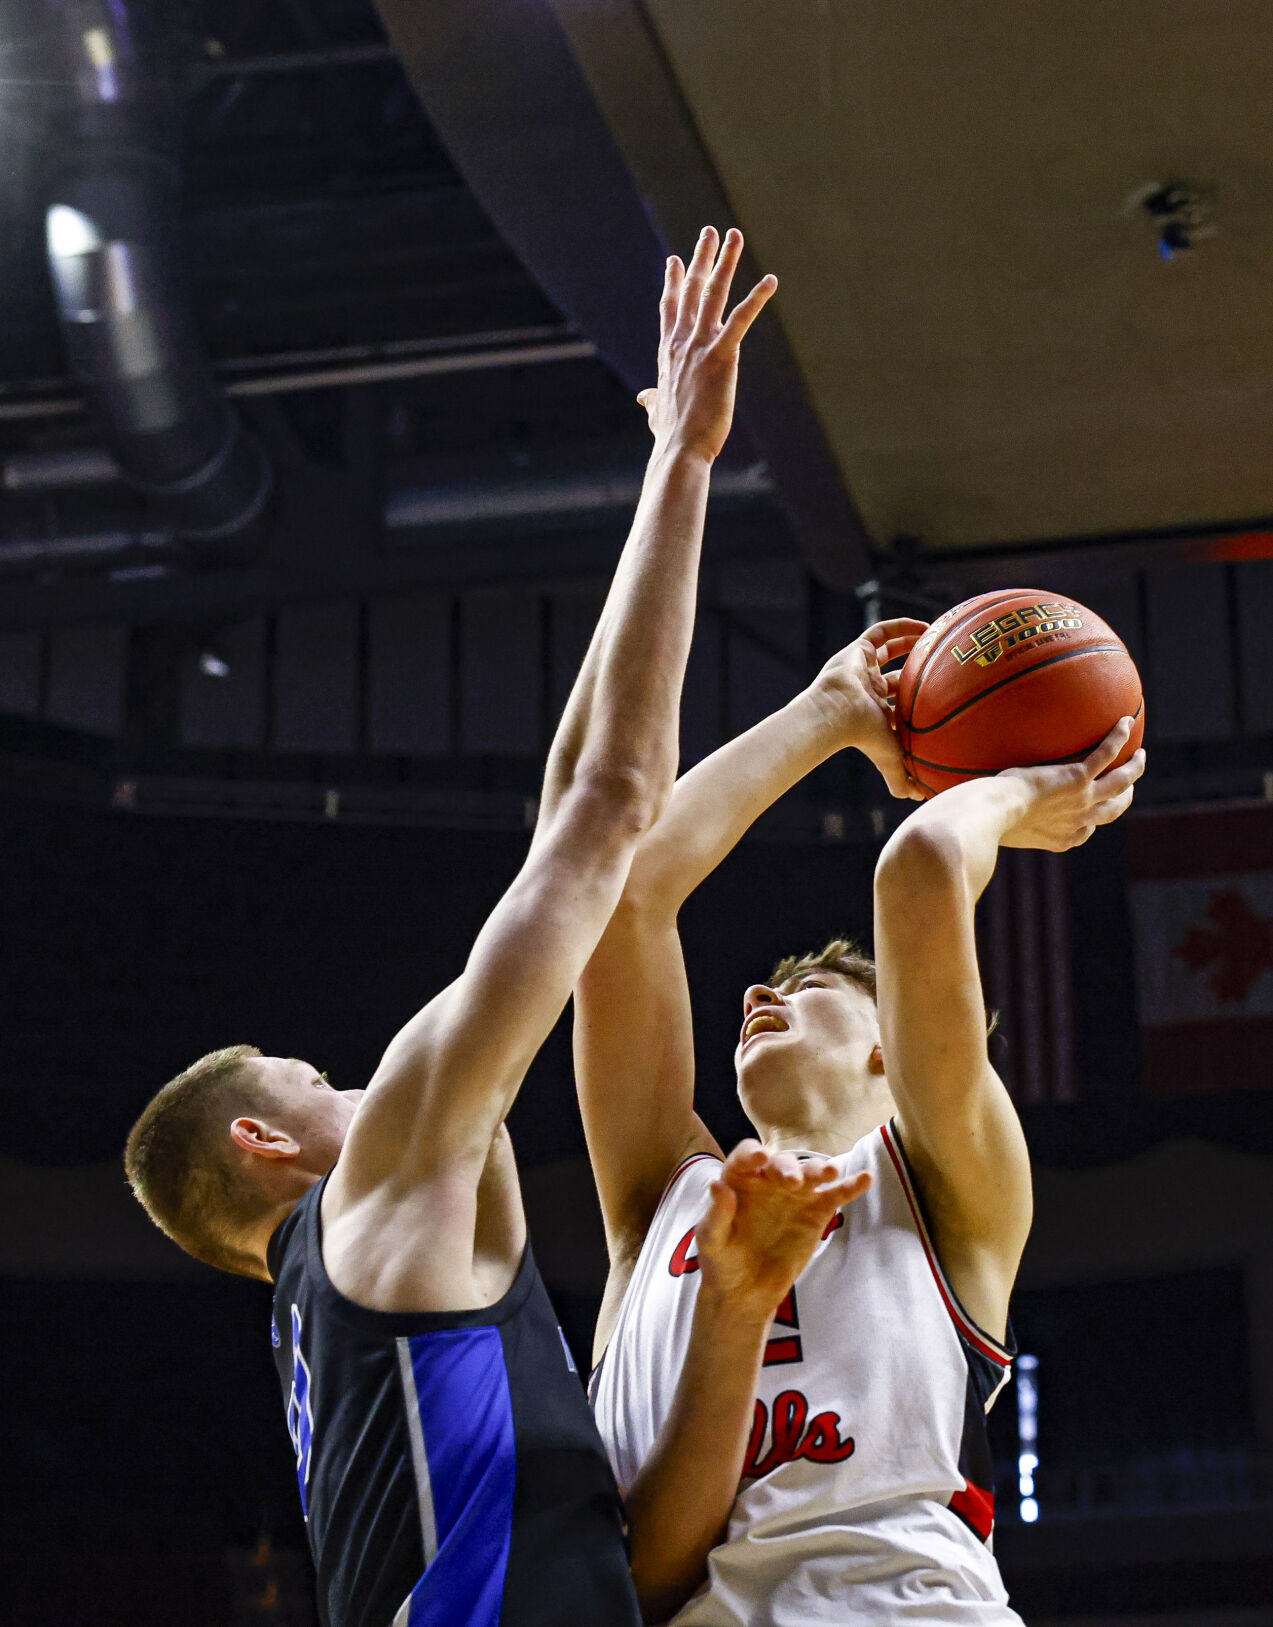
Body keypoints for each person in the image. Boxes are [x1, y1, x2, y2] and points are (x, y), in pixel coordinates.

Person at [122, 227, 863, 1627]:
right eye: (317, 1077)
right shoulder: (384, 1180)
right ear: (268, 1144)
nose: (365, 1076)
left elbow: (575, 829)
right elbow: (605, 816)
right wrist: (686, 464)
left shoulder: (370, 1316)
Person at [577, 619, 1146, 1624]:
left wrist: (1027, 796)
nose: (760, 987)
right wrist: (825, 714)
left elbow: (921, 863)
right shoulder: (661, 1199)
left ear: (891, 1044)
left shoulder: (940, 1179)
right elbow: (622, 899)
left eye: (811, 984)